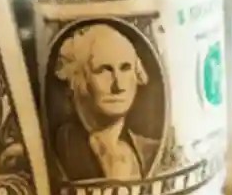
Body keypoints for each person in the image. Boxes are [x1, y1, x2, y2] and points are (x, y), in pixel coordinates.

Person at [52, 23, 161, 181]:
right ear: (75, 78)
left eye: (125, 68)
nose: (119, 85)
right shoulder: (56, 150)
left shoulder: (150, 150)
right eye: (104, 70)